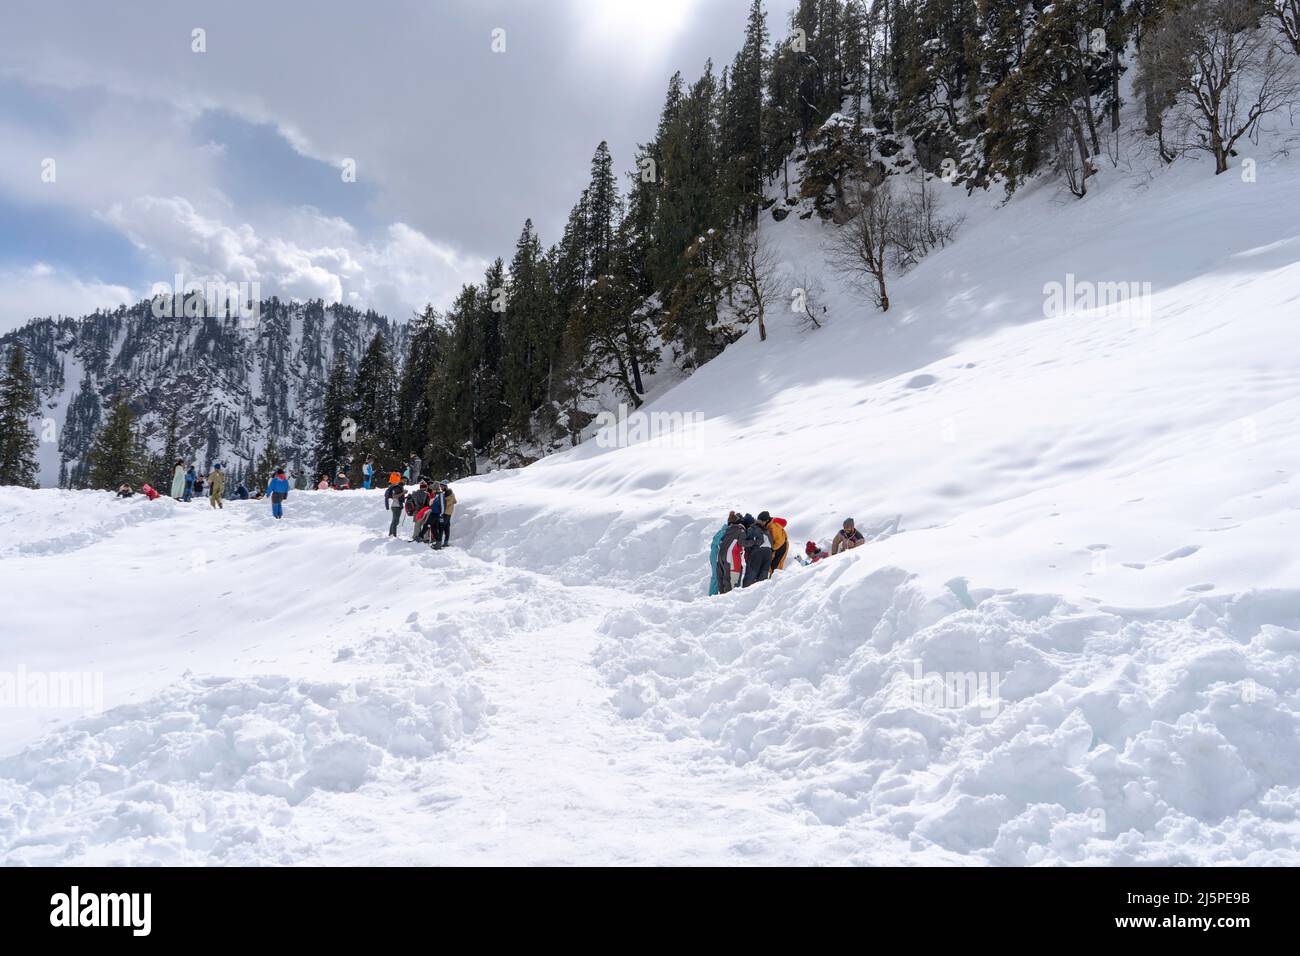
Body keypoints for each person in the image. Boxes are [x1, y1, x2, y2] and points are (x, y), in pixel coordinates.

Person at [709, 512, 746, 595]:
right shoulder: (726, 529)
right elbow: (716, 541)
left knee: (719, 577)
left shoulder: (727, 529)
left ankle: (714, 596)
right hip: (717, 554)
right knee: (716, 577)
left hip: (719, 554)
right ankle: (712, 596)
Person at [742, 512, 775, 587]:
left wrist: (747, 556)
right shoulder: (767, 531)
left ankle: (744, 593)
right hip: (768, 553)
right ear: (765, 520)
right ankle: (758, 595)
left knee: (751, 575)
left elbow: (746, 543)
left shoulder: (752, 528)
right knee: (763, 578)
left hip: (757, 552)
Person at [427, 483, 446, 549]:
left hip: (438, 514)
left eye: (433, 489)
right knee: (435, 528)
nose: (432, 490)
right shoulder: (437, 494)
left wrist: (441, 514)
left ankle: (438, 544)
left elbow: (442, 505)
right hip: (436, 513)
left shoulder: (439, 495)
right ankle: (438, 543)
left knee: (438, 528)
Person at [438, 482, 456, 547]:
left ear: (445, 486)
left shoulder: (446, 494)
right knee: (446, 527)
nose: (440, 488)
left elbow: (444, 504)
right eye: (440, 486)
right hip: (449, 513)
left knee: (441, 527)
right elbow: (454, 501)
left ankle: (439, 543)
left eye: (441, 486)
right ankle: (446, 542)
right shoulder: (451, 493)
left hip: (445, 513)